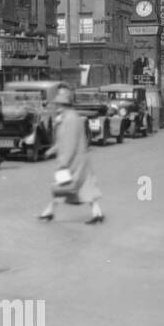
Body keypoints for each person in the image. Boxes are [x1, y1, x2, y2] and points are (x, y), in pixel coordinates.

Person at [38, 85, 104, 224]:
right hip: (76, 161)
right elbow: (62, 141)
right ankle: (96, 213)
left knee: (62, 186)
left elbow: (70, 143)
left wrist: (63, 162)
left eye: (60, 104)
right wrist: (51, 150)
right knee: (84, 187)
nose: (57, 107)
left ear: (65, 105)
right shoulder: (67, 117)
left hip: (73, 162)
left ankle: (49, 211)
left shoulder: (70, 119)